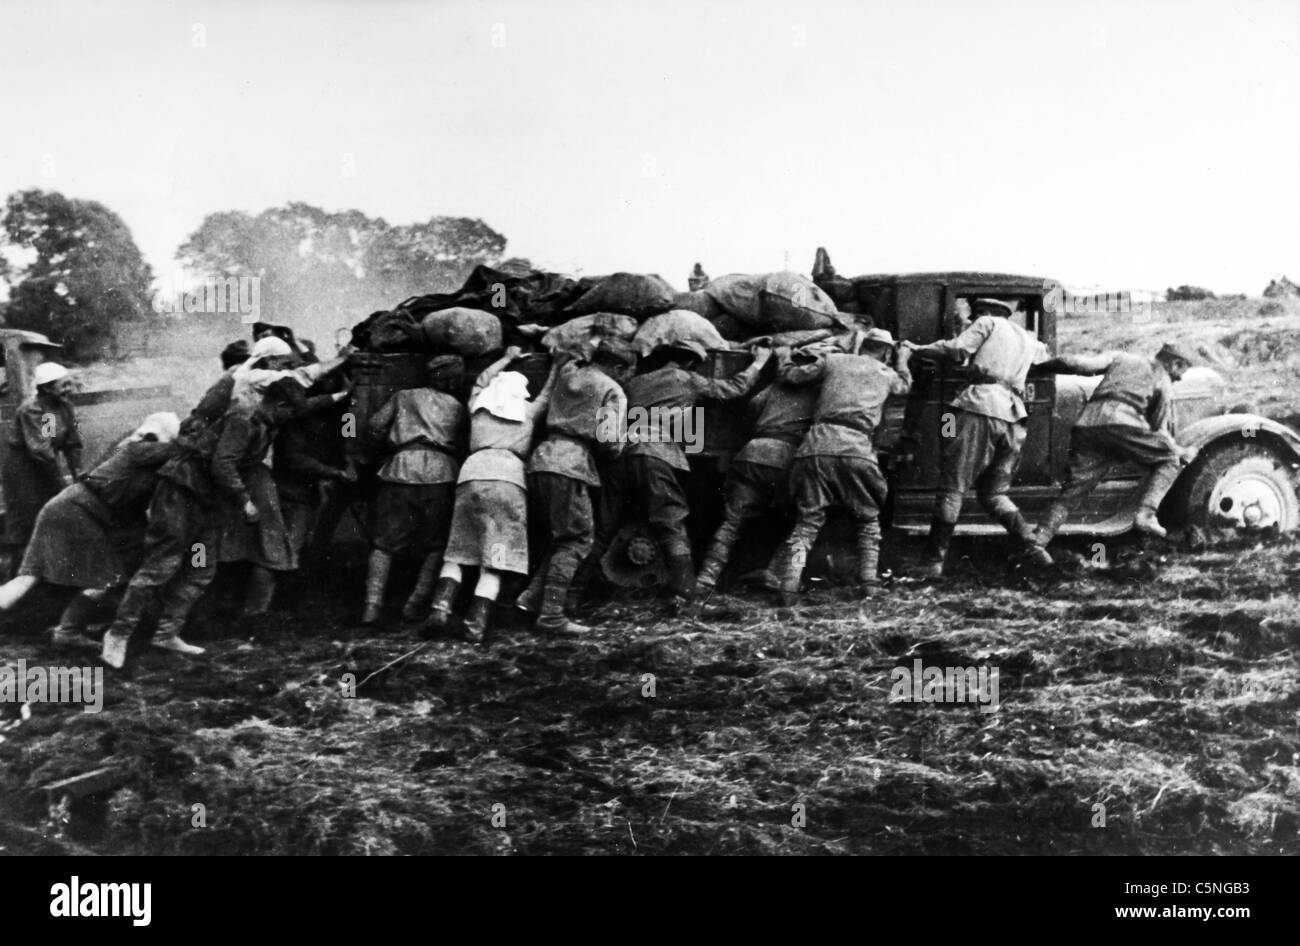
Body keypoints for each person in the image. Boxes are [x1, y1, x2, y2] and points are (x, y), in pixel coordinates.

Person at [100, 381, 305, 668]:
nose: (291, 418)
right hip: (181, 495)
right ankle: (118, 634)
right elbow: (223, 464)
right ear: (280, 405)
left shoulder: (263, 424)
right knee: (161, 566)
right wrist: (245, 499)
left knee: (200, 569)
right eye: (290, 412)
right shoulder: (242, 421)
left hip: (208, 505)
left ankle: (166, 633)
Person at [0, 413, 182, 649]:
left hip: (71, 508)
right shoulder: (139, 449)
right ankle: (68, 632)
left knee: (29, 577)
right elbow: (180, 452)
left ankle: (69, 631)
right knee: (104, 578)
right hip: (78, 512)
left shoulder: (136, 453)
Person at [906, 298, 1053, 578]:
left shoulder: (987, 323)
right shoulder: (1029, 338)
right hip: (1013, 416)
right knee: (995, 493)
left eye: (974, 316)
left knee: (953, 486)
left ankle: (931, 563)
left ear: (985, 312)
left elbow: (957, 349)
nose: (973, 320)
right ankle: (1036, 550)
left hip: (979, 407)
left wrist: (919, 348)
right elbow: (1046, 360)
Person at [621, 339, 772, 609]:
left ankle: (570, 596)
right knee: (672, 521)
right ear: (690, 362)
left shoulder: (634, 382)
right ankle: (686, 595)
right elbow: (734, 389)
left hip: (623, 454)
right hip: (658, 453)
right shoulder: (687, 379)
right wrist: (759, 362)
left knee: (606, 523)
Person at [423, 348, 556, 643]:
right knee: (494, 558)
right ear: (519, 393)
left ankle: (440, 607)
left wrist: (507, 356)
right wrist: (558, 364)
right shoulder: (528, 411)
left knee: (458, 550)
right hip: (507, 479)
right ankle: (475, 624)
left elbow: (482, 380)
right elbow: (547, 393)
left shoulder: (477, 406)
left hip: (470, 474)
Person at [769, 330, 911, 604]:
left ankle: (789, 583)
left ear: (862, 346)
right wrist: (903, 359)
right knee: (868, 520)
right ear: (886, 352)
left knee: (807, 523)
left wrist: (784, 356)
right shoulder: (886, 372)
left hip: (816, 447)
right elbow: (905, 385)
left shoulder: (834, 361)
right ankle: (869, 583)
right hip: (857, 449)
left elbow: (790, 376)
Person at [512, 338, 632, 635]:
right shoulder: (612, 389)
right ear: (617, 366)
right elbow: (609, 442)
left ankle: (530, 599)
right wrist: (622, 446)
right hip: (571, 465)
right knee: (577, 539)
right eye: (627, 371)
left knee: (560, 537)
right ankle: (551, 616)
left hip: (540, 460)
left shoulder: (567, 376)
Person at [1033, 342, 1198, 548]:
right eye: (1181, 371)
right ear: (1175, 363)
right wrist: (1181, 451)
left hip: (1087, 426)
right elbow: (1159, 431)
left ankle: (1038, 541)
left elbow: (1075, 363)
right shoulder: (1163, 381)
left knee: (1071, 493)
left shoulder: (1122, 357)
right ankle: (1146, 515)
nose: (1180, 377)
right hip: (1123, 425)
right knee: (1169, 460)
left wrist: (1039, 365)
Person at [691, 345, 821, 601]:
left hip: (752, 453)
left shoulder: (774, 388)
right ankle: (783, 577)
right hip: (788, 457)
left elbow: (752, 406)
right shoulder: (819, 391)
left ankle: (705, 581)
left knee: (731, 522)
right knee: (804, 521)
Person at [362, 355, 468, 626]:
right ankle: (414, 604)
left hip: (399, 471)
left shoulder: (403, 396)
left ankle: (371, 608)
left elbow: (374, 425)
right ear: (450, 379)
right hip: (441, 475)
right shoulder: (456, 405)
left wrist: (391, 444)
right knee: (436, 545)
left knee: (384, 543)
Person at [1, 362, 82, 577]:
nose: (68, 390)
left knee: (52, 512)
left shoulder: (63, 407)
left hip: (43, 465)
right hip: (23, 469)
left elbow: (71, 443)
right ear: (46, 388)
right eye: (63, 385)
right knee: (27, 518)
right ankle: (16, 577)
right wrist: (61, 483)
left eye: (69, 385)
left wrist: (79, 476)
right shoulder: (34, 409)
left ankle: (48, 570)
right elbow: (41, 450)